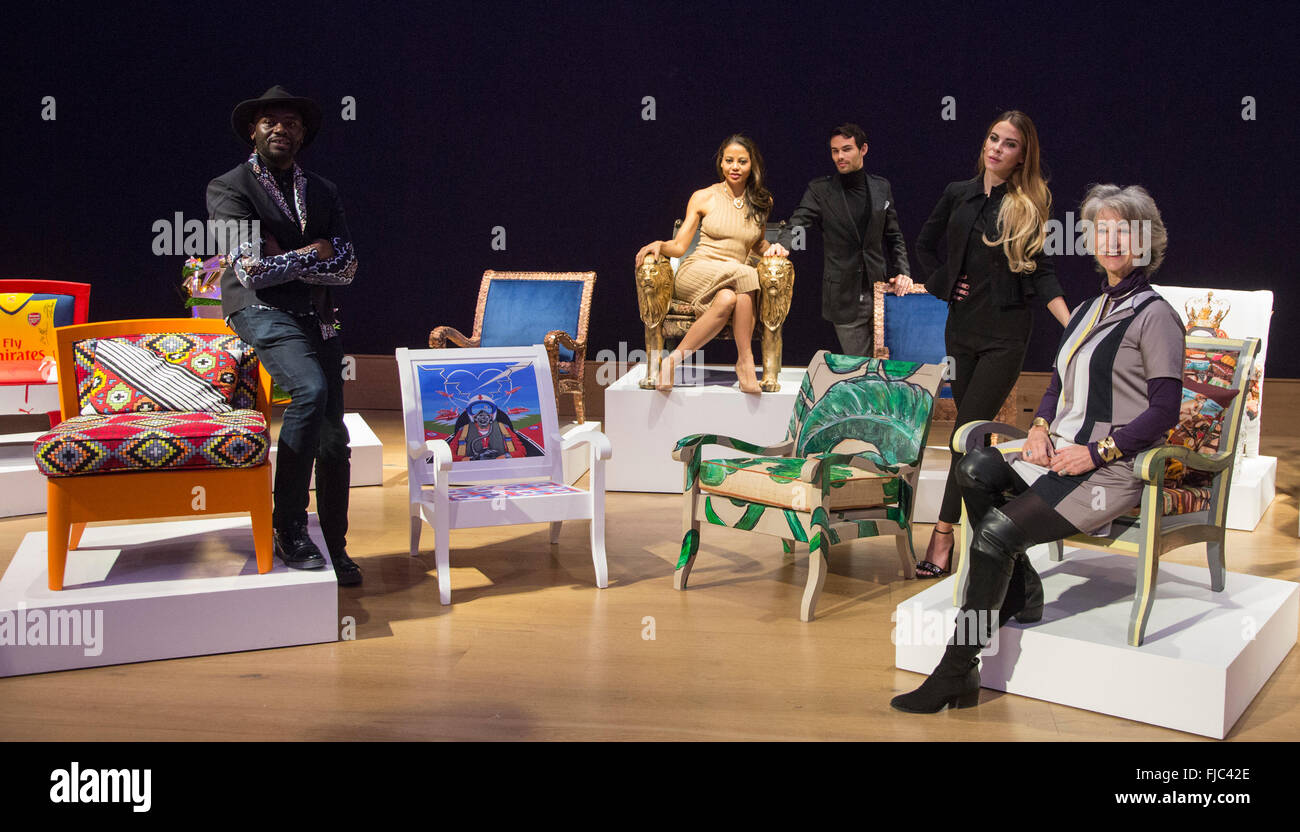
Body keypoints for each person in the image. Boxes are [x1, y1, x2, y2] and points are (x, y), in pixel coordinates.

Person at [891, 184, 1184, 713]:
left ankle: (959, 668)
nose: (1111, 239)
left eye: (1124, 230)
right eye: (1102, 230)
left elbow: (1164, 411)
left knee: (993, 537)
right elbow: (1057, 381)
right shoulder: (1091, 308)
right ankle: (1024, 590)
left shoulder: (1155, 315)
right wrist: (1042, 425)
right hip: (1060, 453)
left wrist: (1098, 453)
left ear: (1145, 242)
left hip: (1110, 472)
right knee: (974, 469)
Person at [206, 85, 362, 586]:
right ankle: (289, 525)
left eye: (291, 122)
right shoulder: (228, 188)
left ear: (303, 134)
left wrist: (288, 260)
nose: (280, 129)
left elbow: (349, 268)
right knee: (310, 390)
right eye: (270, 121)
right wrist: (312, 252)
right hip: (259, 311)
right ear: (253, 130)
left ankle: (335, 545)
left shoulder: (323, 190)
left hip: (317, 315)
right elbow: (251, 273)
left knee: (335, 438)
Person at [912, 110, 1072, 579]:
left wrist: (1074, 323)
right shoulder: (957, 193)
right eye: (993, 138)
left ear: (1023, 154)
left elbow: (1041, 274)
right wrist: (945, 282)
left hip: (1006, 334)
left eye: (1009, 144)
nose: (997, 149)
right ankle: (999, 536)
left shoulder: (1029, 203)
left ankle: (944, 534)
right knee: (974, 441)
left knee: (964, 434)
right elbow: (924, 245)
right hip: (960, 330)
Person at [635, 135, 774, 393]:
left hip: (734, 279)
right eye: (729, 160)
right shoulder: (703, 197)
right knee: (745, 274)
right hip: (697, 271)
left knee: (730, 299)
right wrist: (660, 244)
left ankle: (672, 361)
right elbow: (679, 246)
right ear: (721, 163)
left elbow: (757, 243)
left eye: (742, 161)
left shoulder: (762, 202)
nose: (735, 167)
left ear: (751, 165)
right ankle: (745, 360)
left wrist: (773, 249)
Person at [764, 123, 913, 354]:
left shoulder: (881, 187)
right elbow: (799, 221)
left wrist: (903, 271)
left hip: (880, 293)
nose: (839, 157)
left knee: (889, 367)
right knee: (860, 369)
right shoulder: (820, 190)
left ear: (863, 149)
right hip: (843, 296)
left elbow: (893, 235)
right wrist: (783, 244)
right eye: (835, 151)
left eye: (846, 149)